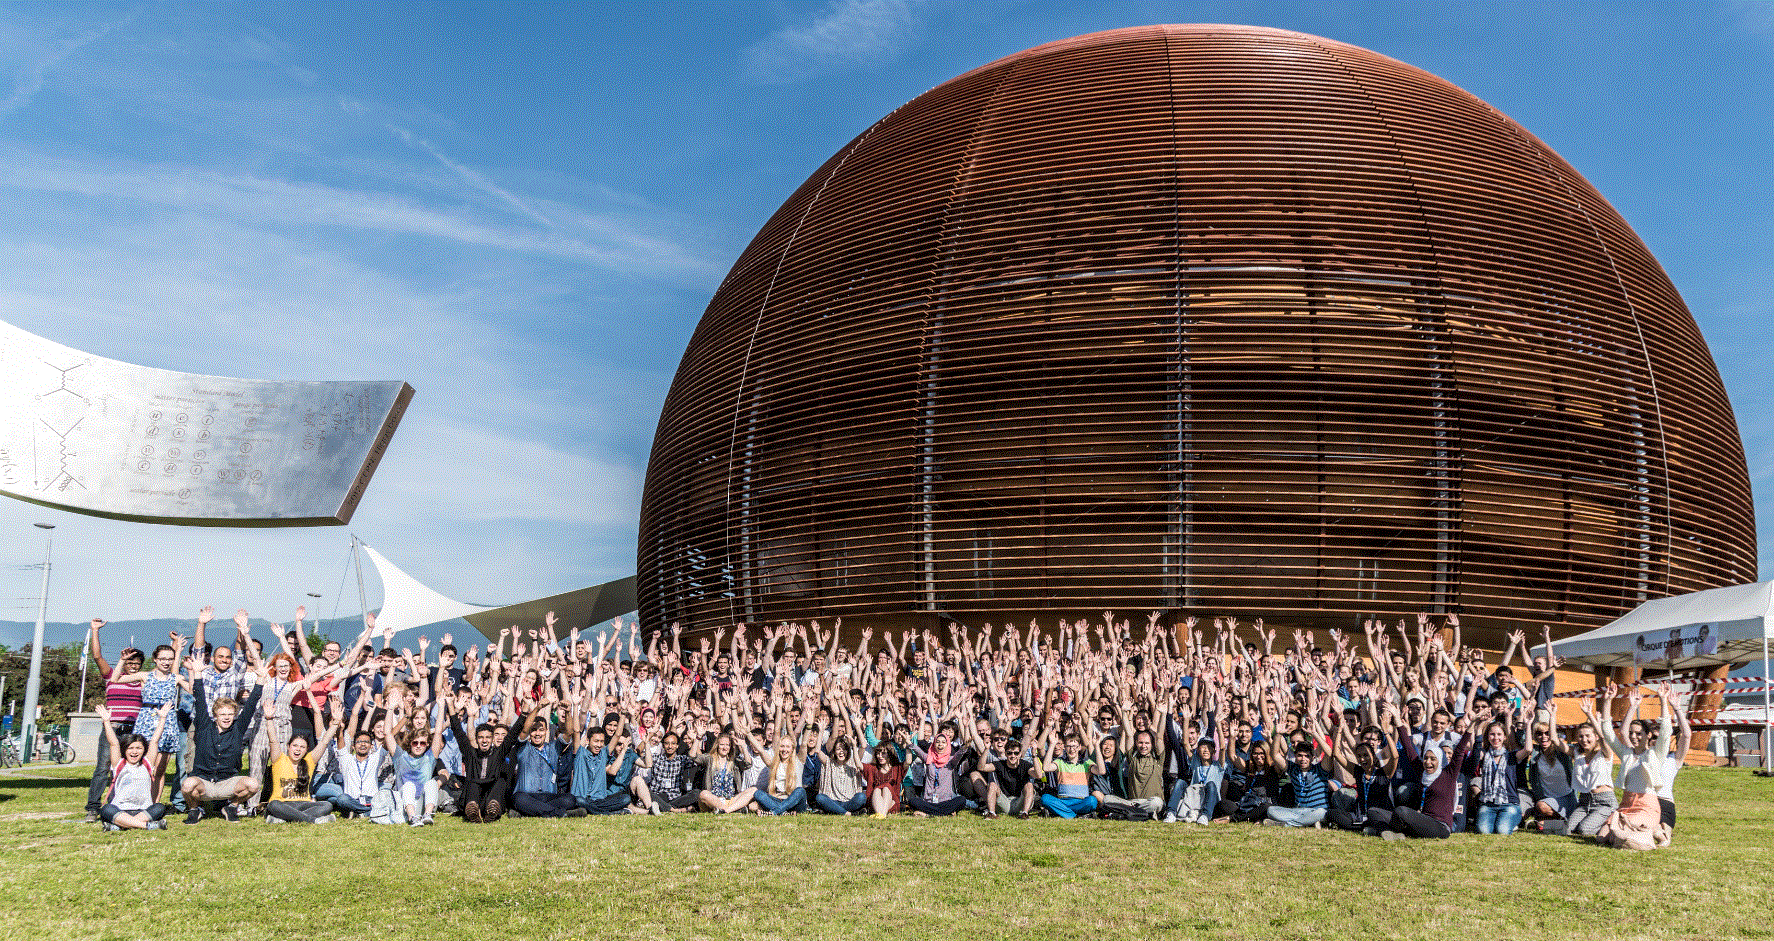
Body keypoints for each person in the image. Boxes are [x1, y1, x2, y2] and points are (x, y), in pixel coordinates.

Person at [180, 653, 265, 823]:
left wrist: (261, 679)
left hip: (228, 782)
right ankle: (195, 810)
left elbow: (251, 704)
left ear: (234, 715)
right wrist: (196, 674)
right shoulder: (204, 726)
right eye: (222, 714)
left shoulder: (238, 729)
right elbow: (200, 700)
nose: (226, 717)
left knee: (253, 785)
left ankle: (231, 807)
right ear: (215, 715)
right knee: (188, 784)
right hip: (204, 781)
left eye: (230, 714)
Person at [1594, 683, 1671, 850]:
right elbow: (1608, 732)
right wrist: (1608, 700)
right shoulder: (1627, 754)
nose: (1634, 737)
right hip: (1626, 804)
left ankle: (1655, 830)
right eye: (1631, 733)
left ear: (1648, 735)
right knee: (1601, 838)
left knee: (1624, 834)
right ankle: (1651, 830)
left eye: (1638, 733)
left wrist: (1663, 700)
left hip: (1646, 804)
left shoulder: (1655, 754)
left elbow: (1665, 732)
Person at [84, 617, 144, 823]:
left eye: (137, 663)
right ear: (124, 663)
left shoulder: (143, 682)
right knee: (102, 768)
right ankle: (92, 807)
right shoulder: (111, 676)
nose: (134, 666)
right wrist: (95, 630)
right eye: (130, 662)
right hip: (112, 728)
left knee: (125, 769)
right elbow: (97, 656)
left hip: (132, 731)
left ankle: (117, 805)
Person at [94, 701, 174, 831]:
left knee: (159, 807)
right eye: (131, 748)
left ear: (144, 750)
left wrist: (163, 718)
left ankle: (120, 825)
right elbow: (113, 743)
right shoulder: (119, 764)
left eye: (139, 748)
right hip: (120, 809)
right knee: (106, 809)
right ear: (125, 750)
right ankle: (146, 826)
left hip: (143, 810)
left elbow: (154, 740)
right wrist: (106, 722)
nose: (134, 751)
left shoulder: (147, 764)